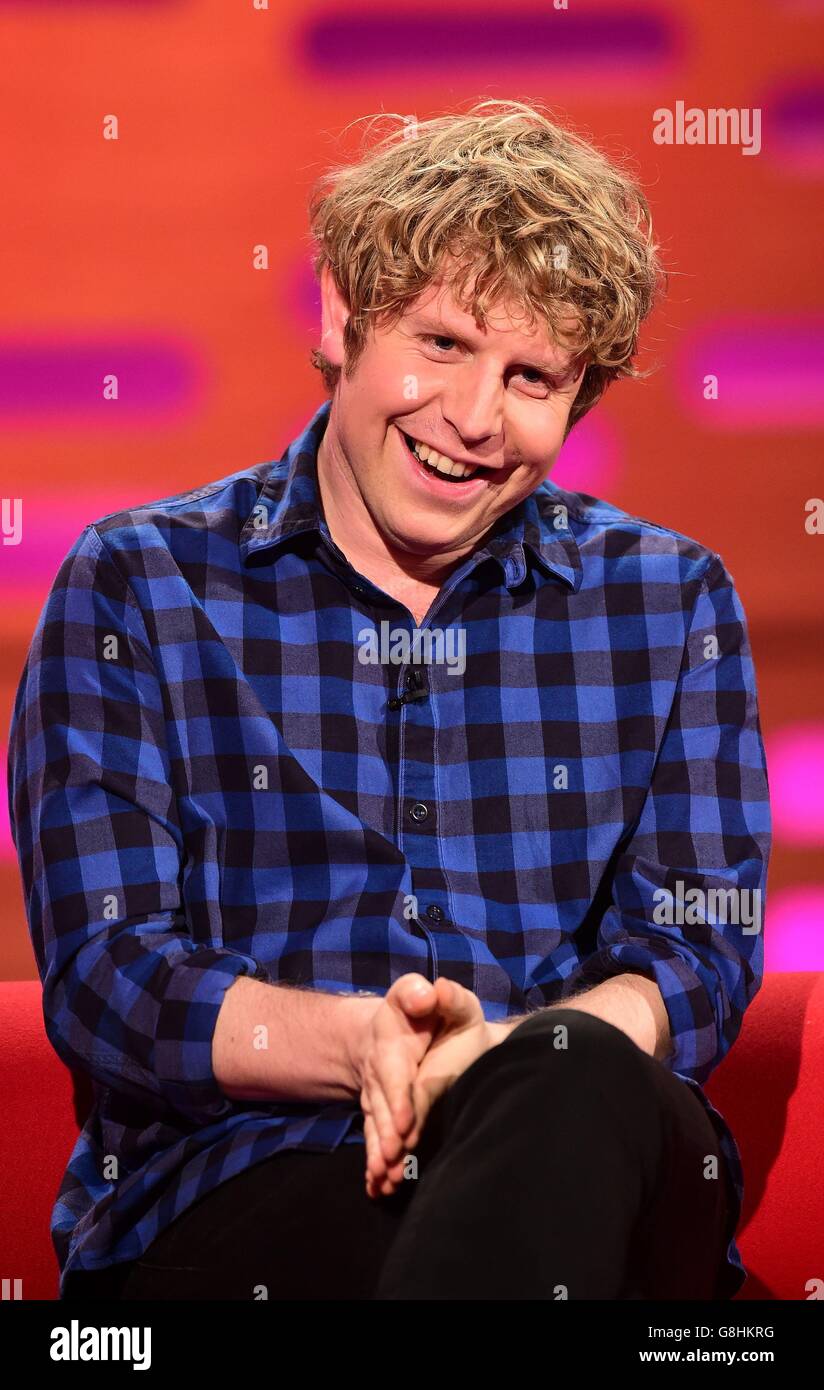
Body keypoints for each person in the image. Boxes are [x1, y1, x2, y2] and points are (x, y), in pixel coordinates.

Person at [7, 98, 770, 1301]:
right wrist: (365, 1047)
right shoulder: (139, 585)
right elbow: (109, 977)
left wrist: (497, 1067)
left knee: (572, 1069)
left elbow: (695, 955)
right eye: (443, 345)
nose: (472, 420)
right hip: (246, 1181)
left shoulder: (667, 600)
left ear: (580, 401)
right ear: (341, 316)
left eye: (531, 377)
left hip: (600, 1170)